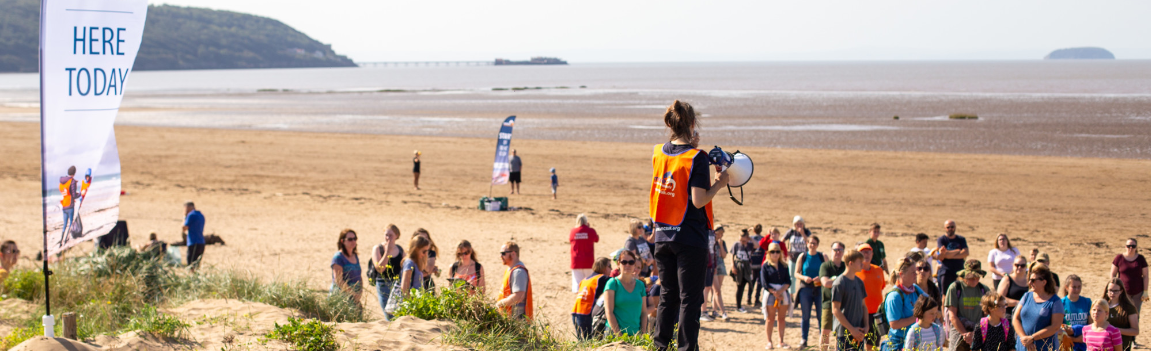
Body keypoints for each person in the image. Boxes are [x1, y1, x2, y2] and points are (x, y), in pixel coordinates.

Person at [649, 100, 729, 351]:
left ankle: (661, 345)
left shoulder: (658, 152)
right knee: (689, 300)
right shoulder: (697, 158)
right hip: (689, 237)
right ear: (693, 124)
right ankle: (685, 348)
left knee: (667, 296)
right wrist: (719, 183)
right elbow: (698, 200)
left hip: (663, 233)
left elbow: (673, 168)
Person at [1011, 264, 1064, 351]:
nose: (1029, 283)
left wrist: (1032, 338)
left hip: (1045, 347)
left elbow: (1055, 326)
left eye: (1033, 280)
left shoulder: (1055, 301)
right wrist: (1025, 338)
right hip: (1023, 346)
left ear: (1044, 282)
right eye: (1029, 280)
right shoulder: (1027, 296)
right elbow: (1015, 319)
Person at [945, 260, 991, 351]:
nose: (975, 280)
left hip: (978, 333)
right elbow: (952, 316)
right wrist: (966, 334)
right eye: (972, 277)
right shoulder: (955, 288)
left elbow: (987, 316)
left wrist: (975, 334)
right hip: (958, 332)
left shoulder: (984, 289)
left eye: (977, 277)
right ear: (964, 276)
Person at [883, 257, 927, 351]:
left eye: (916, 271)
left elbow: (930, 302)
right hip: (898, 344)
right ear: (901, 274)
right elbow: (894, 324)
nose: (916, 274)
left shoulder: (914, 288)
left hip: (914, 341)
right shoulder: (894, 296)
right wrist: (918, 318)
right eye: (912, 272)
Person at [606, 250, 650, 336]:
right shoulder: (612, 283)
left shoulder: (640, 285)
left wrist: (643, 333)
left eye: (631, 262)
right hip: (614, 335)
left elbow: (644, 312)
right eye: (624, 262)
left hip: (636, 335)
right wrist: (620, 336)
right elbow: (609, 312)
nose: (627, 265)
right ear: (618, 263)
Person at [833, 249, 870, 351]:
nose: (862, 265)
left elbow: (864, 306)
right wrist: (852, 330)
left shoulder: (859, 282)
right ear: (851, 263)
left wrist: (866, 326)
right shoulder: (839, 283)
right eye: (859, 262)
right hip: (844, 333)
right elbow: (835, 310)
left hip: (859, 332)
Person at [795, 235, 828, 348]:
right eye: (810, 243)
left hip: (820, 289)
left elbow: (828, 272)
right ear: (807, 244)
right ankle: (804, 339)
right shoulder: (803, 256)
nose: (812, 245)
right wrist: (804, 278)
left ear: (817, 245)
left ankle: (822, 340)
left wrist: (821, 277)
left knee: (821, 316)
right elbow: (796, 273)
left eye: (814, 243)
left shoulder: (822, 256)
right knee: (805, 316)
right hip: (805, 289)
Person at [387, 235, 429, 320]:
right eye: (424, 251)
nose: (425, 254)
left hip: (415, 302)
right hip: (409, 305)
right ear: (416, 249)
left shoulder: (416, 263)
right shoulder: (409, 262)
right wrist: (410, 305)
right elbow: (404, 287)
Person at [856, 244, 887, 351]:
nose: (866, 254)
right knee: (857, 344)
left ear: (872, 254)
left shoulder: (878, 270)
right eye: (863, 252)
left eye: (868, 251)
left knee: (873, 344)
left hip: (876, 314)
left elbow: (881, 286)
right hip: (859, 313)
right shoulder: (855, 272)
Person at [761, 242, 792, 349]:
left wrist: (780, 292)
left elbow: (788, 281)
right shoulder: (765, 266)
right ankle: (769, 341)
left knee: (782, 318)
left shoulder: (784, 266)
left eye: (777, 251)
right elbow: (764, 283)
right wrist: (775, 293)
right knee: (770, 318)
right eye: (773, 252)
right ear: (769, 253)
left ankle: (781, 341)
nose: (775, 254)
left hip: (782, 292)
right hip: (770, 294)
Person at [572, 257, 612, 340]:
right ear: (604, 268)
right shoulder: (602, 278)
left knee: (582, 343)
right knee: (590, 342)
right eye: (609, 266)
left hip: (576, 313)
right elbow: (619, 282)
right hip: (586, 314)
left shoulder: (585, 279)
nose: (611, 269)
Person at [372, 224, 404, 318]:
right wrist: (387, 252)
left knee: (397, 314)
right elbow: (380, 269)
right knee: (389, 314)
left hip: (397, 285)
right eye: (386, 235)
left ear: (397, 236)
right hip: (383, 284)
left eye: (391, 235)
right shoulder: (378, 248)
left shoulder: (400, 250)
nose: (388, 238)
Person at [820, 241, 848, 351]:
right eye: (835, 250)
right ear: (831, 251)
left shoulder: (845, 267)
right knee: (825, 333)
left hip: (843, 304)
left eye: (840, 250)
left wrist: (834, 281)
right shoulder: (825, 266)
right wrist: (842, 282)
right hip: (828, 303)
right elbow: (825, 283)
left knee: (839, 333)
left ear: (843, 252)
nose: (837, 252)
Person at [1110, 238, 1148, 313]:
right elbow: (1113, 274)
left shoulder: (1141, 259)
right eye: (1129, 246)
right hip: (1122, 292)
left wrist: (1145, 291)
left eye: (1133, 246)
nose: (1131, 248)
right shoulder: (1119, 258)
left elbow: (1146, 275)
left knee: (1135, 314)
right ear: (1125, 247)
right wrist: (1113, 288)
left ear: (1136, 247)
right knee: (1122, 314)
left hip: (1137, 293)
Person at [496, 241, 533, 319]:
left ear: (513, 254)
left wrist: (500, 303)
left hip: (518, 321)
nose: (500, 256)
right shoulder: (510, 270)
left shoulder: (518, 272)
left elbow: (519, 296)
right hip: (510, 318)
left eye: (503, 253)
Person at [936, 220, 969, 306]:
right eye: (948, 227)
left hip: (960, 270)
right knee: (945, 295)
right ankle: (944, 317)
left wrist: (948, 254)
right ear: (945, 228)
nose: (950, 229)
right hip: (946, 271)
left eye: (952, 227)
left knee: (962, 293)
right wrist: (958, 252)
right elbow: (942, 255)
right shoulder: (942, 239)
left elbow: (966, 253)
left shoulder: (961, 239)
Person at [1101, 278, 1139, 351]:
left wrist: (1115, 330)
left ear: (1121, 291)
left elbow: (1135, 331)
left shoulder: (1128, 307)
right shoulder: (1101, 306)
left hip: (1122, 345)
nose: (1112, 293)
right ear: (1106, 291)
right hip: (1104, 345)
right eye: (1110, 290)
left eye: (1116, 291)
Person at [331, 229, 363, 309]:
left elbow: (359, 275)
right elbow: (338, 280)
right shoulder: (338, 257)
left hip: (355, 297)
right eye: (350, 239)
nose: (353, 241)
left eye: (355, 238)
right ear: (342, 241)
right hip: (341, 298)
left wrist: (360, 292)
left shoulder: (355, 256)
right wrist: (353, 294)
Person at [570, 214, 600, 293]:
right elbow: (596, 239)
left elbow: (570, 240)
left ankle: (578, 300)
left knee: (577, 283)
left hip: (576, 260)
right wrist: (588, 228)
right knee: (589, 282)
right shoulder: (591, 231)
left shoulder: (573, 231)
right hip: (588, 260)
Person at [784, 216, 811, 302]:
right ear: (794, 225)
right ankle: (791, 295)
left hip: (804, 258)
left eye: (800, 224)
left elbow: (810, 242)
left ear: (803, 224)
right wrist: (786, 251)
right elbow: (782, 241)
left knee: (802, 277)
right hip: (793, 258)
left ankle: (800, 296)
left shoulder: (807, 232)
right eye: (797, 224)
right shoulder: (791, 232)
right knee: (792, 277)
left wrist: (803, 234)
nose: (799, 225)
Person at [1062, 275, 1091, 351]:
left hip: (1084, 342)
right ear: (1067, 287)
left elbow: (1091, 326)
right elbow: (1059, 326)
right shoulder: (1061, 303)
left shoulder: (1087, 302)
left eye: (1079, 287)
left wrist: (1079, 338)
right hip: (1067, 342)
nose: (1077, 289)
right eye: (1074, 287)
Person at [732, 229, 757, 313]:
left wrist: (750, 238)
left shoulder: (750, 244)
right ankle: (738, 306)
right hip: (739, 267)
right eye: (741, 237)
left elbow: (757, 246)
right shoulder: (736, 244)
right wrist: (733, 266)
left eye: (744, 238)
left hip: (747, 268)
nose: (742, 240)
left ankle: (742, 304)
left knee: (748, 284)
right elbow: (732, 255)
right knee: (740, 286)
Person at [710, 226, 729, 320]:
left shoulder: (722, 242)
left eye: (722, 234)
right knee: (717, 291)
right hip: (713, 267)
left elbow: (724, 255)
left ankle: (714, 310)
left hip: (721, 266)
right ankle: (723, 312)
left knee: (717, 291)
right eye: (719, 233)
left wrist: (721, 245)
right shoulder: (711, 241)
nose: (721, 235)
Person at [182, 202, 206, 271]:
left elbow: (184, 228)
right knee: (197, 265)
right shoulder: (201, 215)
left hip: (193, 243)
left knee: (191, 265)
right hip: (202, 242)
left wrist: (184, 217)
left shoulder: (191, 215)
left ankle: (192, 279)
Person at [59, 166, 78, 242]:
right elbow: (74, 195)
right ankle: (66, 239)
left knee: (64, 224)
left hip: (64, 205)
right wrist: (80, 193)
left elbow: (65, 192)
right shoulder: (72, 181)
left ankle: (61, 240)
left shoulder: (62, 181)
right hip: (70, 205)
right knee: (70, 223)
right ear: (74, 173)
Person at [750, 224, 767, 309]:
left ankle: (749, 298)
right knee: (759, 283)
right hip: (761, 264)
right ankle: (756, 299)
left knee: (752, 282)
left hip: (752, 263)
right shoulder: (763, 239)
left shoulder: (751, 238)